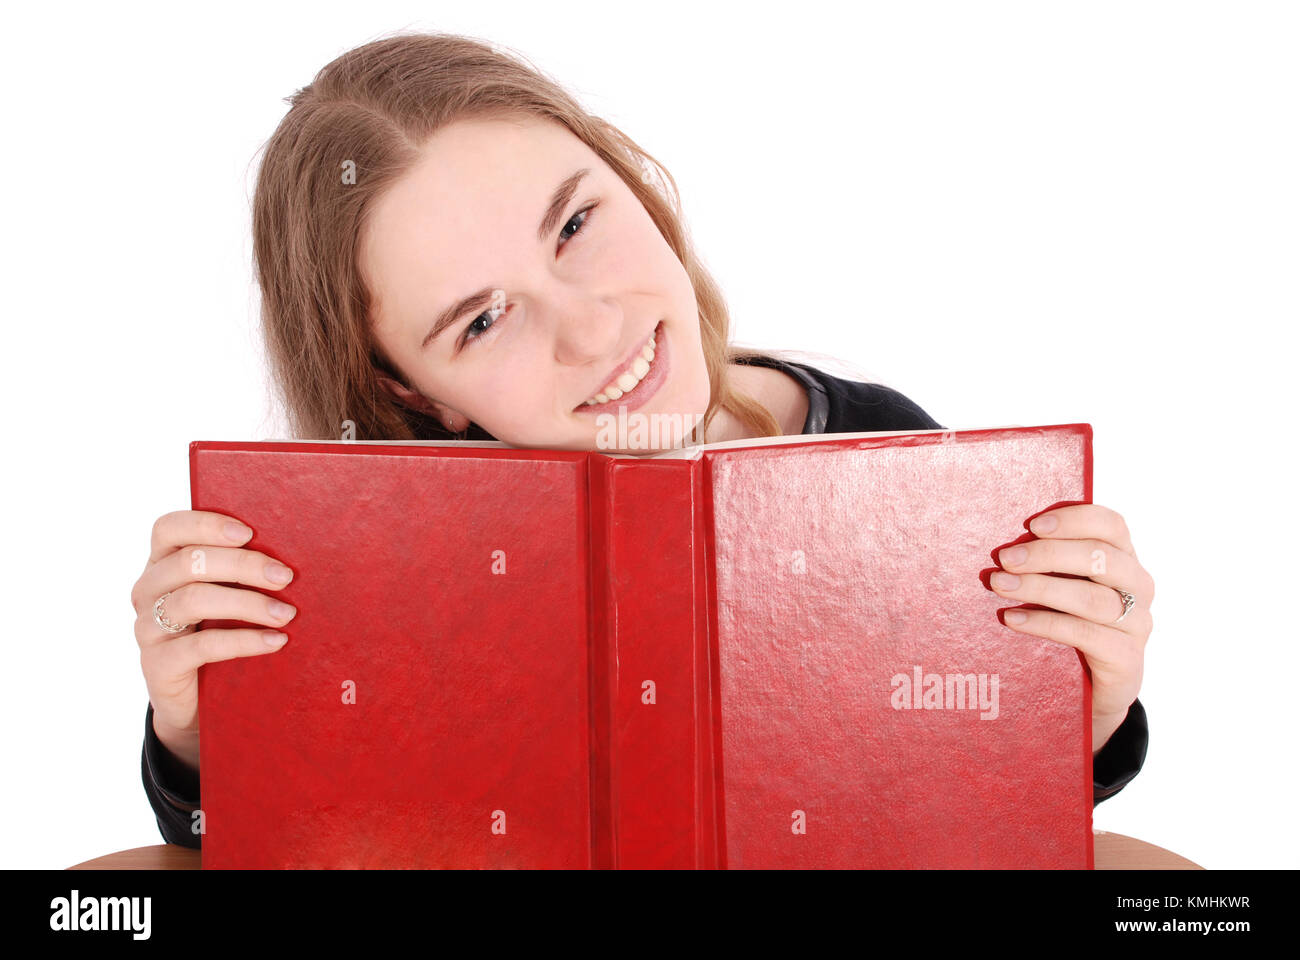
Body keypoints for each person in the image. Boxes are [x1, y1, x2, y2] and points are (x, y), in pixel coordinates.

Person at [136, 32, 1152, 851]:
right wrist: (198, 740)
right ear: (412, 391)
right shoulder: (364, 561)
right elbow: (259, 836)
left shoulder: (883, 447)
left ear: (637, 186)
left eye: (574, 225)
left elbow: (969, 807)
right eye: (482, 322)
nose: (591, 331)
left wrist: (1078, 714)